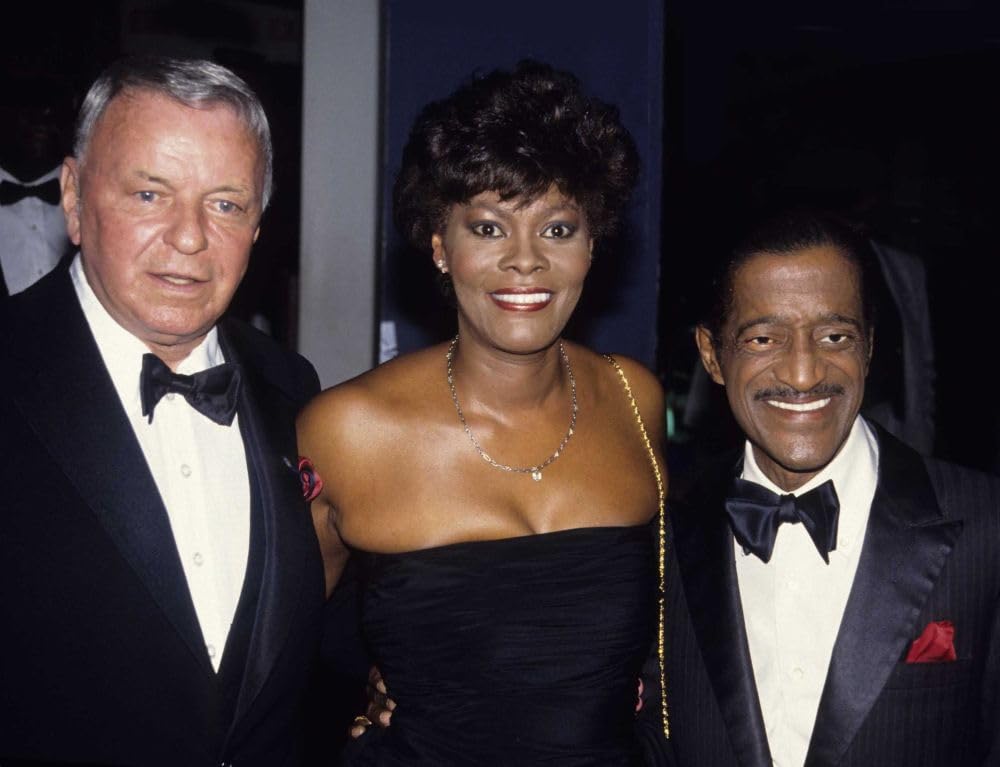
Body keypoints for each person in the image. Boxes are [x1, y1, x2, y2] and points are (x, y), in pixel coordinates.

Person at [297, 60, 669, 764]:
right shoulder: (346, 430)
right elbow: (273, 642)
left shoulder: (633, 399)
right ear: (441, 247)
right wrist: (364, 687)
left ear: (592, 244)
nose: (525, 260)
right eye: (490, 228)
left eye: (557, 229)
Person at [0, 56, 330, 766]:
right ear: (72, 197)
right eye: (150, 194)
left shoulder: (293, 387)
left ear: (258, 224)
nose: (189, 237)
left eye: (226, 204)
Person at [652, 209, 1000, 766]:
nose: (803, 374)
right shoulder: (660, 535)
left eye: (835, 336)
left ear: (869, 347)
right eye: (763, 339)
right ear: (713, 356)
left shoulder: (987, 528)